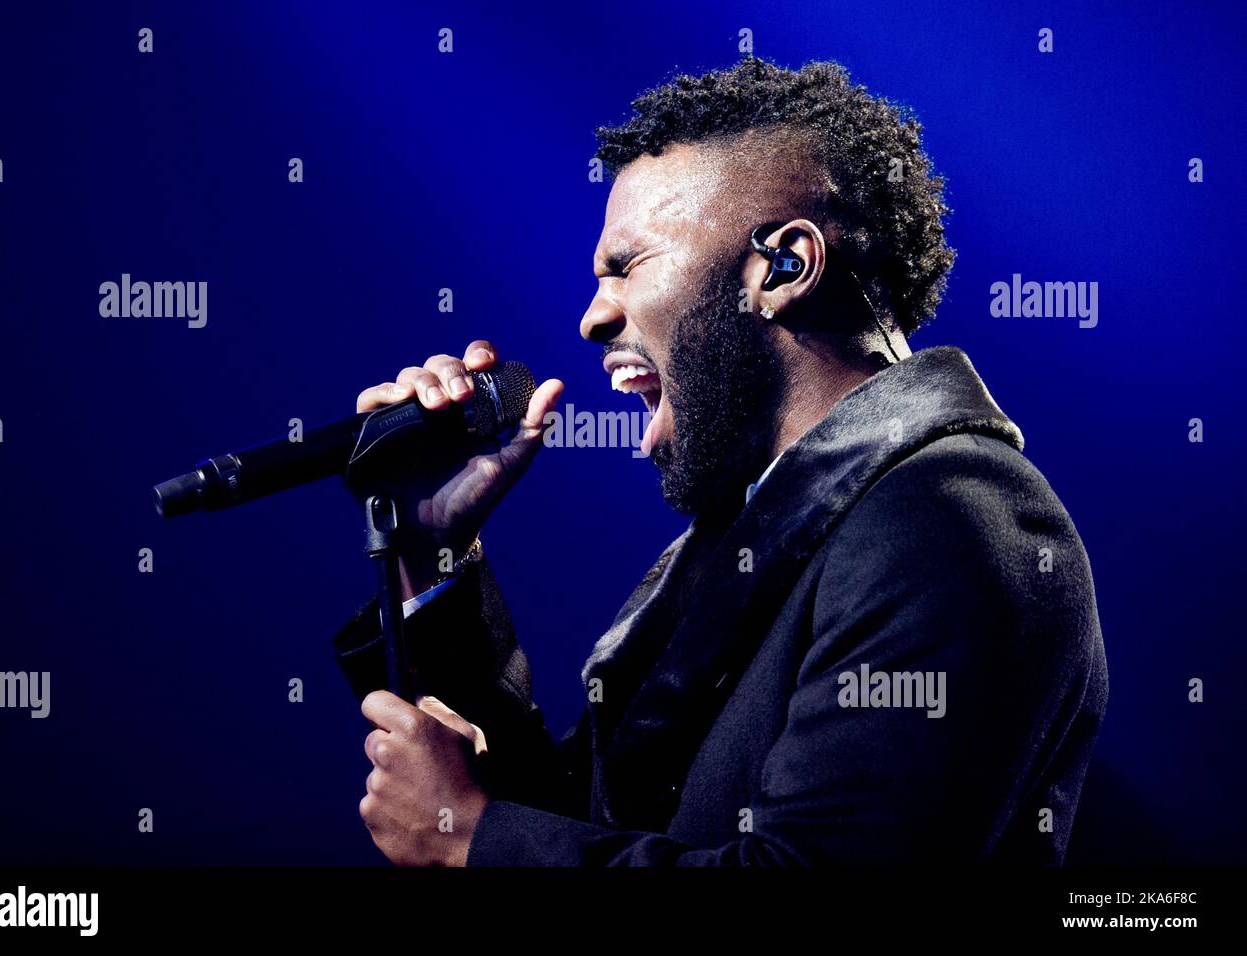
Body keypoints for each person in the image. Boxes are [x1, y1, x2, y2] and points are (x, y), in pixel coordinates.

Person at [337, 58, 1108, 866]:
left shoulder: (950, 521)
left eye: (626, 266)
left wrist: (476, 842)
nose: (593, 318)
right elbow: (591, 827)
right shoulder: (753, 540)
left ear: (784, 267)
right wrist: (432, 550)